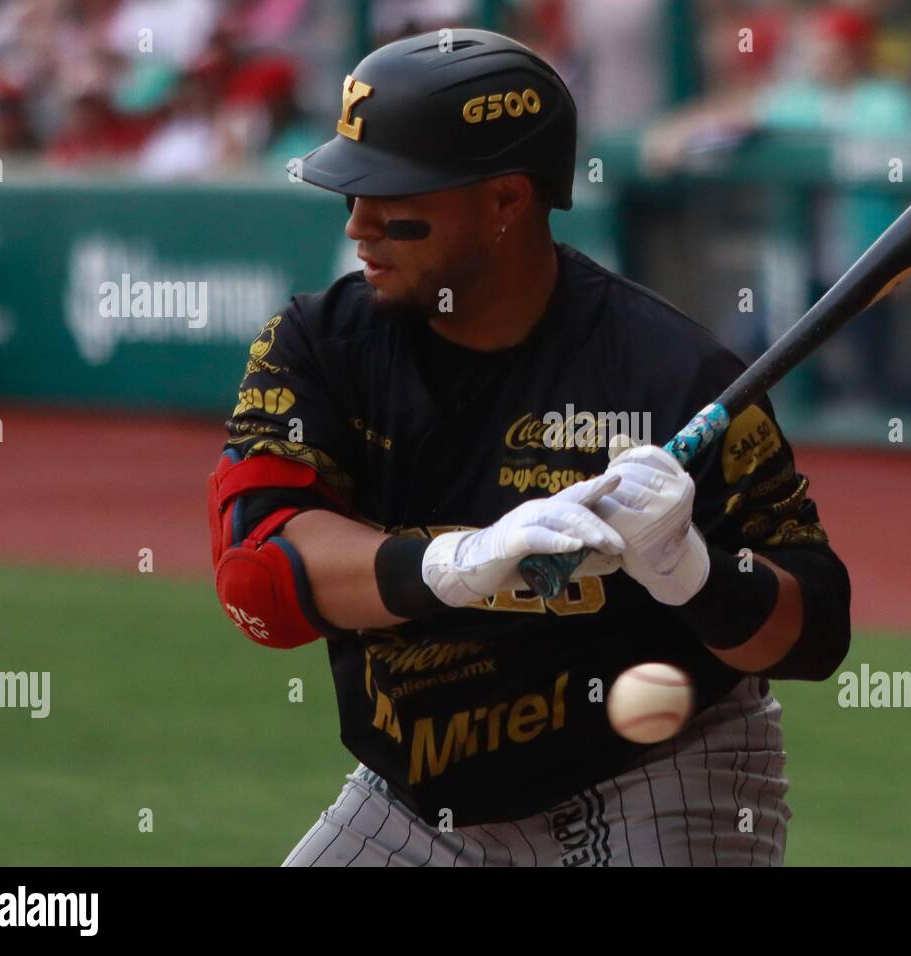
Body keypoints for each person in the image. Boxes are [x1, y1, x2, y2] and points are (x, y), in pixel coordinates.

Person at [208, 28, 851, 867]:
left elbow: (814, 633)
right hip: (415, 798)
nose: (359, 223)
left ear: (507, 201)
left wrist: (694, 574)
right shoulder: (316, 345)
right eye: (351, 192)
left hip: (654, 768)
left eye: (396, 197)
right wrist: (456, 564)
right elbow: (258, 577)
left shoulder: (671, 374)